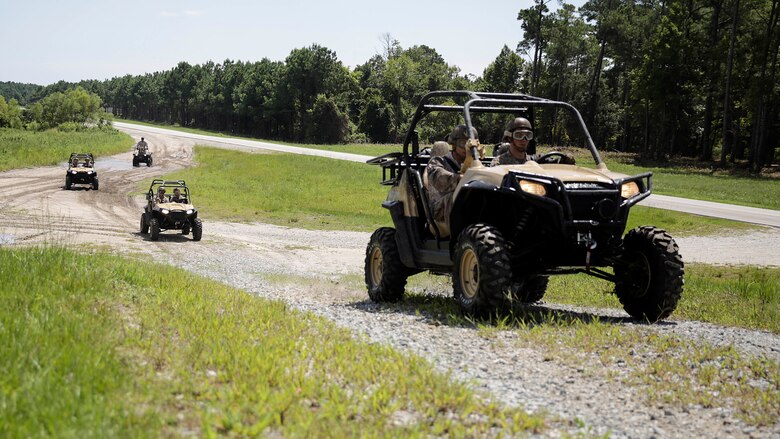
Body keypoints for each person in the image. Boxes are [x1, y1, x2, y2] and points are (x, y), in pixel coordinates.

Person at [426, 124, 478, 227]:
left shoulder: (476, 164)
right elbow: (439, 179)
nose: (466, 148)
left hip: (467, 206)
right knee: (459, 196)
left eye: (470, 143)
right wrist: (460, 179)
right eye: (462, 143)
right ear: (454, 144)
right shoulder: (438, 162)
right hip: (440, 209)